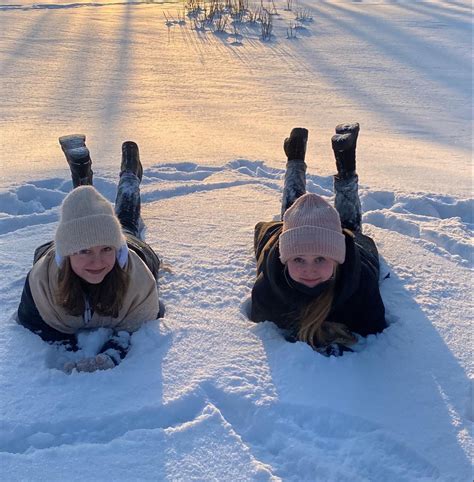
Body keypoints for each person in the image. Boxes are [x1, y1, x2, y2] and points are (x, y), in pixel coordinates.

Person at [17, 135, 163, 372]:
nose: (97, 261)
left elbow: (143, 322)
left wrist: (114, 351)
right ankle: (81, 176)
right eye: (84, 251)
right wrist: (70, 347)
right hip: (55, 251)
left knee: (126, 222)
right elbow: (34, 323)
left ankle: (130, 174)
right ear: (67, 254)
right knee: (83, 213)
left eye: (106, 249)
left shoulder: (139, 276)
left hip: (133, 248)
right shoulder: (42, 282)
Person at [250, 124, 387, 356]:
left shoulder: (359, 280)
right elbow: (264, 320)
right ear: (284, 261)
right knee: (293, 214)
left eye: (321, 259)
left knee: (350, 228)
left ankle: (344, 163)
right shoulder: (269, 288)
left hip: (355, 250)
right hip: (284, 237)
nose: (309, 270)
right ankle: (298, 157)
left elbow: (373, 324)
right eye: (299, 260)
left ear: (338, 260)